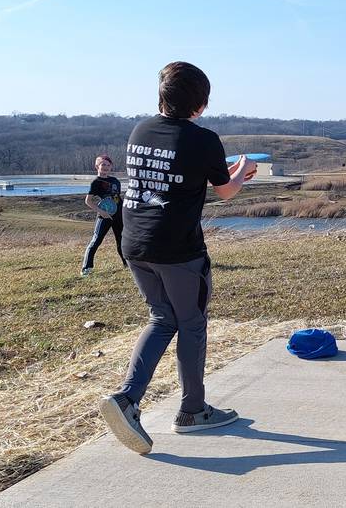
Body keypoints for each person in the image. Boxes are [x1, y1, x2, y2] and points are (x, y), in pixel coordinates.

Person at [97, 61, 256, 454]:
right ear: (200, 104)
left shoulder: (140, 130)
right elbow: (225, 192)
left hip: (134, 244)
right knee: (191, 323)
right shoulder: (204, 139)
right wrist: (243, 172)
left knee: (162, 317)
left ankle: (129, 400)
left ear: (162, 96)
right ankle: (191, 411)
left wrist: (227, 173)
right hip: (178, 249)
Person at [81, 154, 126, 276]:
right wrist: (102, 212)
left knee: (121, 240)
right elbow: (88, 201)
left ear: (111, 166)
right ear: (97, 167)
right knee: (96, 240)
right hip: (104, 216)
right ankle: (86, 268)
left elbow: (117, 198)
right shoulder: (95, 182)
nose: (105, 167)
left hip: (118, 215)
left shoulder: (115, 181)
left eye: (107, 165)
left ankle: (126, 264)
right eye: (102, 164)